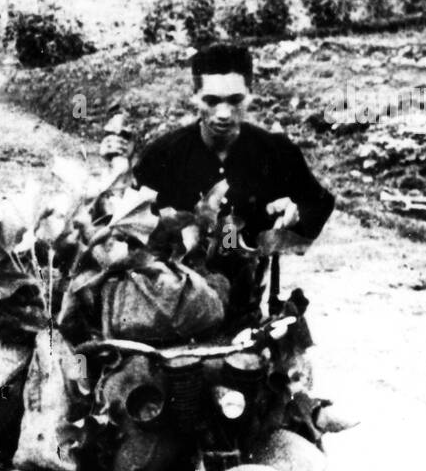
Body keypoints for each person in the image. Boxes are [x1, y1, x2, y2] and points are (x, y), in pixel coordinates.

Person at [102, 43, 335, 329]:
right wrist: (118, 173)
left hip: (247, 307)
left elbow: (319, 203)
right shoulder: (164, 154)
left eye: (235, 100)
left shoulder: (276, 152)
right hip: (175, 305)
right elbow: (123, 223)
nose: (224, 113)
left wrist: (293, 218)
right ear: (195, 96)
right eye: (212, 100)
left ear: (251, 95)